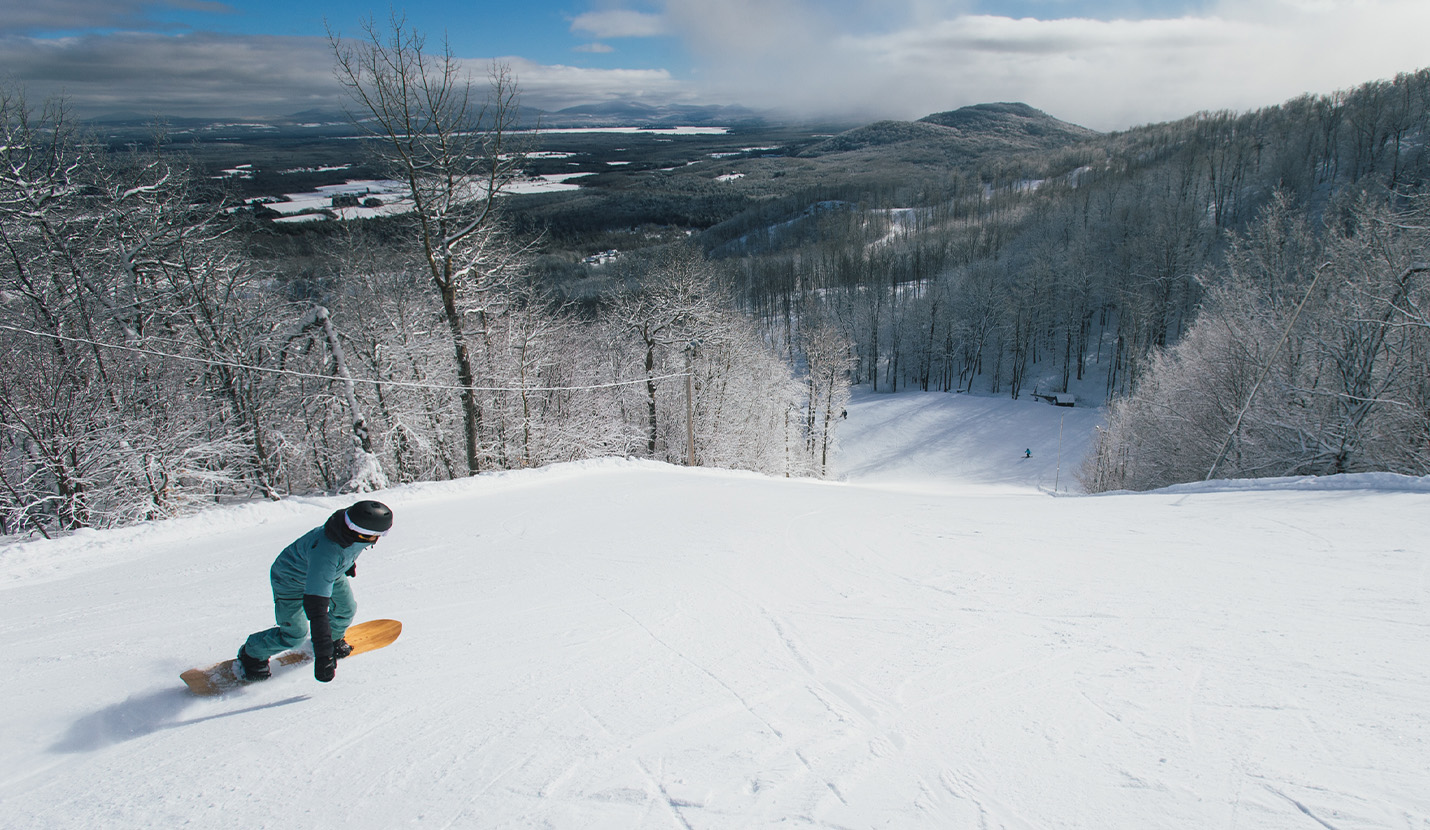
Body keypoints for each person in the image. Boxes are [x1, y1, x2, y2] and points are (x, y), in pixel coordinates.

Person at [237, 500, 393, 683]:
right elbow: (317, 611)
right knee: (294, 635)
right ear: (363, 534)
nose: (378, 539)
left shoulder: (345, 530)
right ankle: (252, 653)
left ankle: (334, 638)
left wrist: (348, 564)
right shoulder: (327, 553)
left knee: (346, 609)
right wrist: (324, 656)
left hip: (328, 573)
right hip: (291, 580)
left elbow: (346, 550)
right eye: (377, 535)